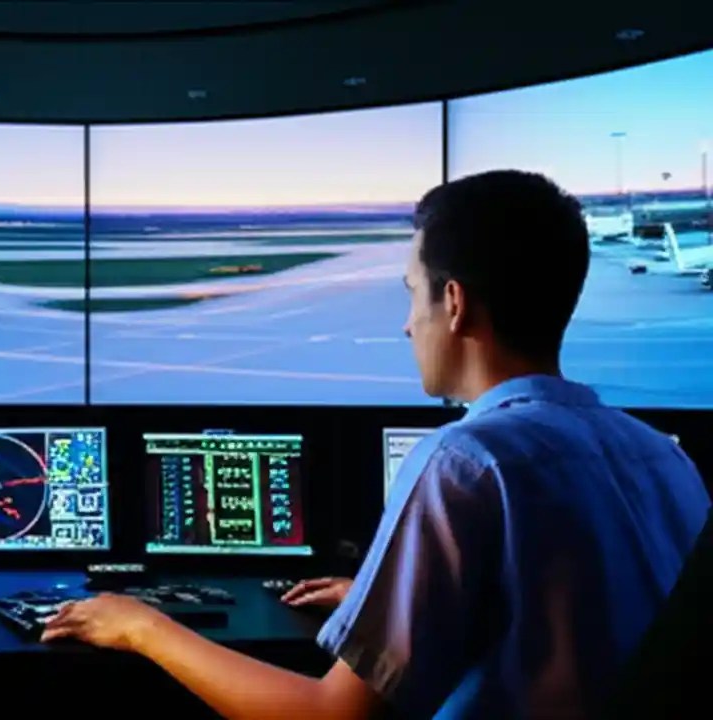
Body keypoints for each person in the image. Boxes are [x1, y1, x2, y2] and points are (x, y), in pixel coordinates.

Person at [40, 170, 712, 719]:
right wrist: (382, 595)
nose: (405, 324)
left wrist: (141, 627)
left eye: (412, 294)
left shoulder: (464, 463)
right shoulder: (667, 459)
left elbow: (332, 718)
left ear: (454, 304)